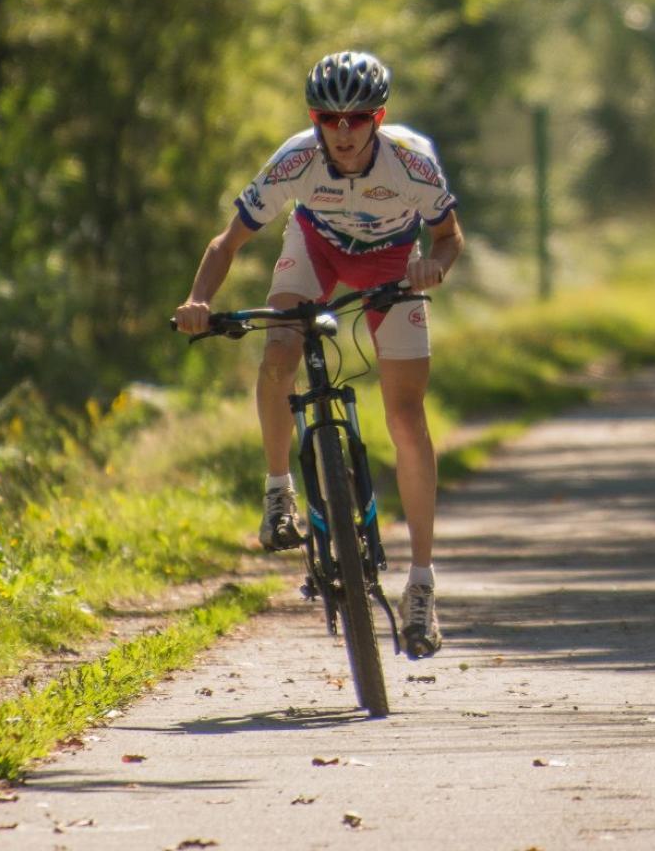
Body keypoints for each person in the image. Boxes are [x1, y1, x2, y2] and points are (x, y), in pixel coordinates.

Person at [173, 50, 465, 658]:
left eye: (357, 118)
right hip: (317, 247)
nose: (344, 131)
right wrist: (199, 299)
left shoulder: (413, 163)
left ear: (378, 117)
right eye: (329, 119)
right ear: (314, 120)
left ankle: (421, 588)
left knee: (406, 417)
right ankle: (279, 491)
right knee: (279, 348)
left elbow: (448, 234)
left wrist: (433, 266)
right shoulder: (295, 161)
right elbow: (228, 240)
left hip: (395, 262)